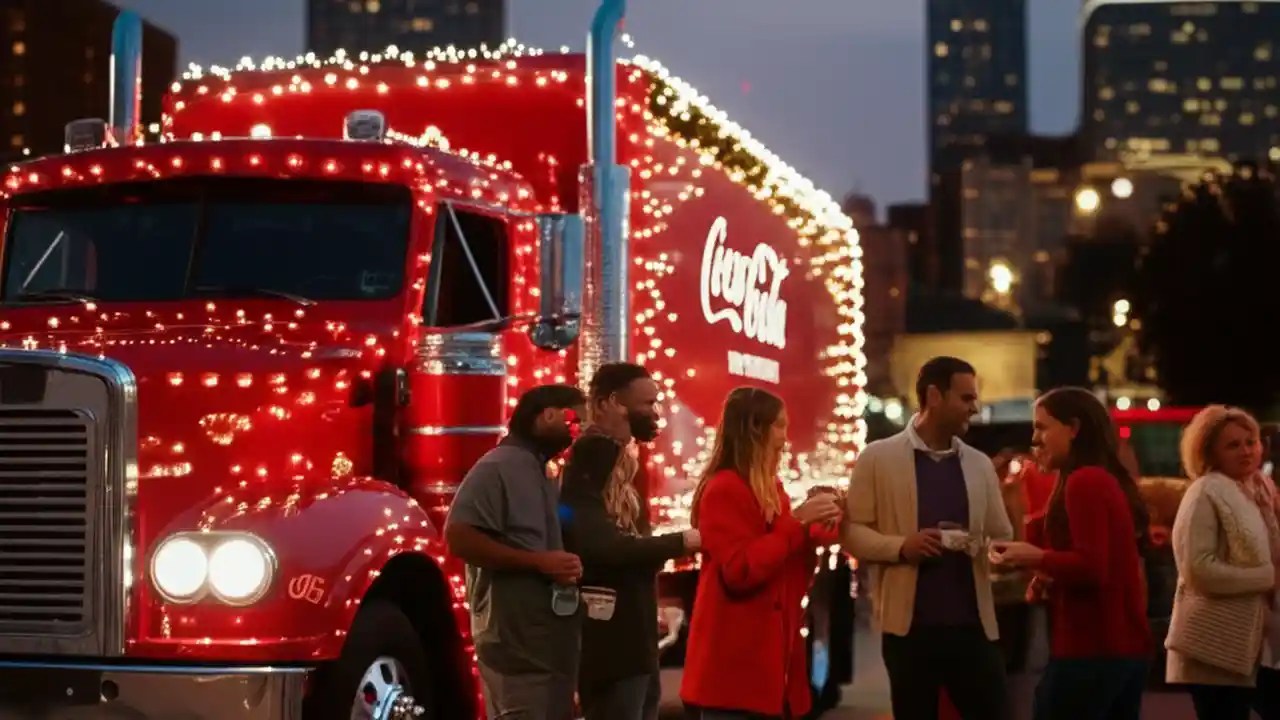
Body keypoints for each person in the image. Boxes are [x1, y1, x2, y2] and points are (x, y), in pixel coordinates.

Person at [841, 356, 1013, 720]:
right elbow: (853, 533)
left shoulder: (979, 464)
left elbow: (1000, 534)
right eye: (965, 398)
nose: (975, 408)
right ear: (934, 396)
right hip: (908, 633)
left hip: (973, 629)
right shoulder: (877, 458)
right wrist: (903, 546)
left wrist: (981, 546)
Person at [680, 387, 843, 719]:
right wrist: (798, 523)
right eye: (780, 426)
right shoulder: (725, 488)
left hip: (767, 664)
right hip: (734, 668)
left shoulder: (772, 488)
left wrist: (816, 531)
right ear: (756, 429)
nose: (785, 437)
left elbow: (784, 564)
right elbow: (741, 570)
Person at [989, 387, 1151, 720]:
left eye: (1042, 427)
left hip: (1092, 649)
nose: (1034, 439)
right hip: (1118, 649)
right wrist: (1048, 577)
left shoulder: (1085, 481)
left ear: (1074, 428)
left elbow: (1092, 566)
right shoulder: (1095, 479)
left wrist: (1033, 557)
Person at [560, 362, 701, 720]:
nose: (654, 413)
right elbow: (602, 546)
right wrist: (683, 541)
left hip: (633, 640)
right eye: (646, 403)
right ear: (610, 403)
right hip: (612, 645)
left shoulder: (622, 458)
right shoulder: (595, 455)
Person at [445, 384, 588, 720]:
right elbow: (459, 537)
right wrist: (539, 563)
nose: (576, 431)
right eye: (573, 421)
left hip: (542, 645)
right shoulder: (497, 467)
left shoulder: (539, 468)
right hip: (514, 644)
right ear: (548, 414)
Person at [1161, 405, 1278, 719]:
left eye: (1250, 441)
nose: (1246, 451)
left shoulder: (1260, 489)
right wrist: (1268, 577)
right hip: (1215, 647)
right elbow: (1199, 570)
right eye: (1233, 445)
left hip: (1258, 643)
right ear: (1209, 452)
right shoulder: (1205, 493)